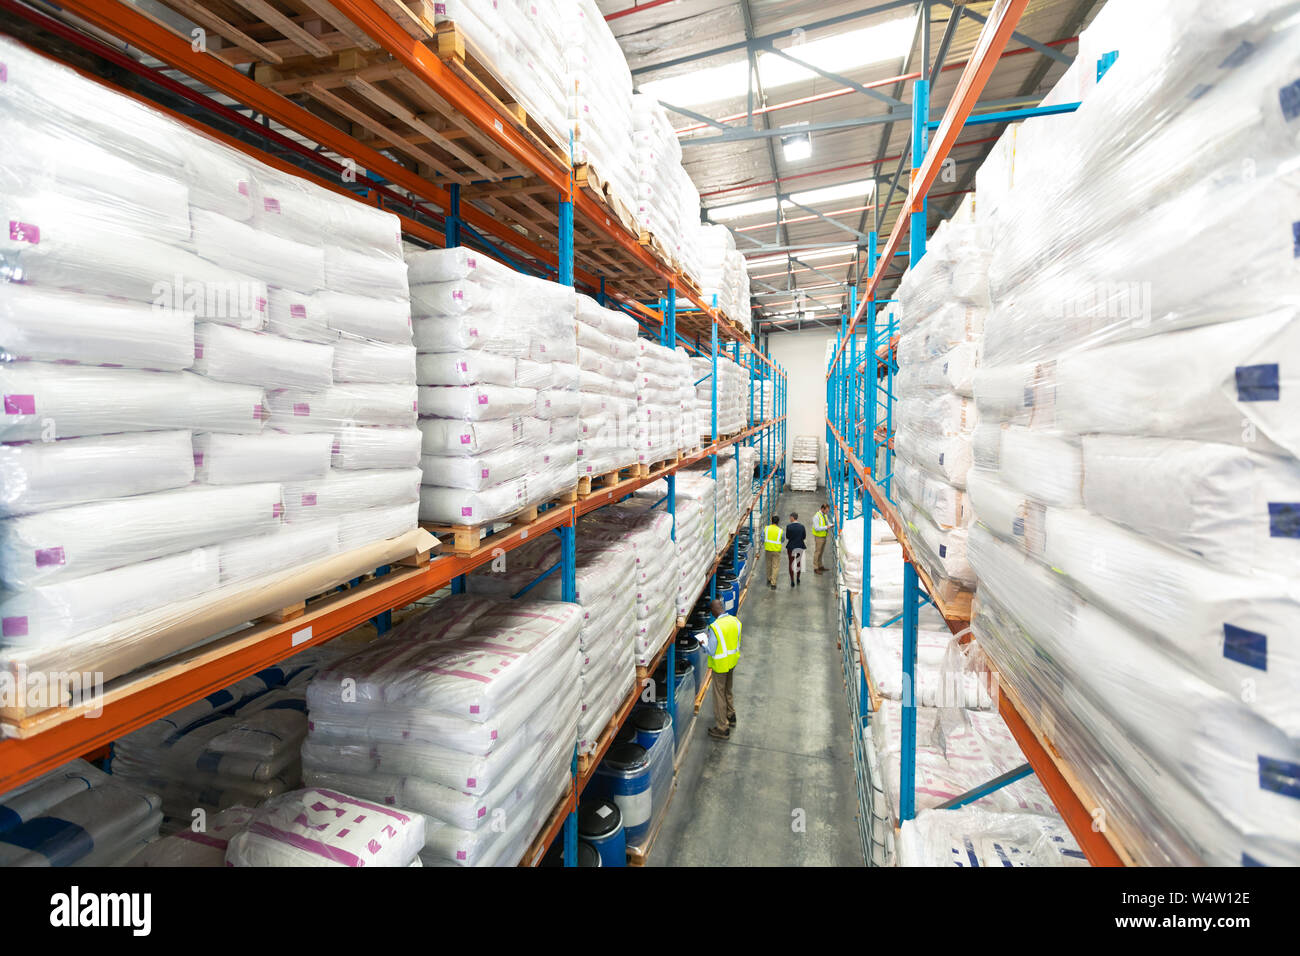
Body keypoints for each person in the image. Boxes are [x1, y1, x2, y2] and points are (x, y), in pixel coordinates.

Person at [702, 598, 740, 740]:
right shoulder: (735, 621)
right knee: (728, 689)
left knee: (718, 695)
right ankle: (731, 715)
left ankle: (722, 727)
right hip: (732, 661)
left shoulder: (715, 627)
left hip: (720, 665)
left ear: (713, 611)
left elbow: (711, 650)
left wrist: (703, 643)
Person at [785, 512, 807, 587]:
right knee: (798, 563)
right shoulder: (802, 527)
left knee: (791, 563)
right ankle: (798, 578)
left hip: (791, 547)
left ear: (792, 518)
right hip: (800, 546)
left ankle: (792, 580)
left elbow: (787, 537)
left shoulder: (789, 527)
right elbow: (804, 537)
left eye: (790, 517)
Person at [763, 514, 783, 590]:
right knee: (775, 566)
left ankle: (768, 579)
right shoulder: (780, 531)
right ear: (778, 522)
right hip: (776, 551)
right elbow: (782, 539)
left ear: (771, 521)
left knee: (768, 564)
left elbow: (762, 538)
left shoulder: (766, 529)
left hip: (768, 549)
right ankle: (773, 583)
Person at [812, 503, 831, 574]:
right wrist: (826, 527)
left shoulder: (824, 515)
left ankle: (820, 566)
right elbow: (816, 528)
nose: (827, 512)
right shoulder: (817, 516)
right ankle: (815, 567)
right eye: (826, 511)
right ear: (822, 509)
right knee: (817, 552)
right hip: (819, 537)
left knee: (821, 552)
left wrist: (831, 525)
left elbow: (827, 523)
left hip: (824, 536)